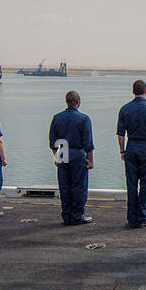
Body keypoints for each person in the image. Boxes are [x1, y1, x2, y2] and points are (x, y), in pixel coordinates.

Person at [117, 79, 146, 228]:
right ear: (145, 91)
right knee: (145, 184)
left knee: (131, 184)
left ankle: (131, 217)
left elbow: (120, 134)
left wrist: (122, 150)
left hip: (131, 146)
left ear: (133, 91)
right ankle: (142, 216)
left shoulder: (124, 109)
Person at [49, 90, 95, 226]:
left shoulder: (57, 118)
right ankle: (77, 215)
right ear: (78, 102)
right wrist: (91, 160)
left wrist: (57, 156)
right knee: (79, 186)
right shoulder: (84, 119)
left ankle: (67, 215)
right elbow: (88, 143)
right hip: (77, 153)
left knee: (64, 186)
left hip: (62, 152)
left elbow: (52, 141)